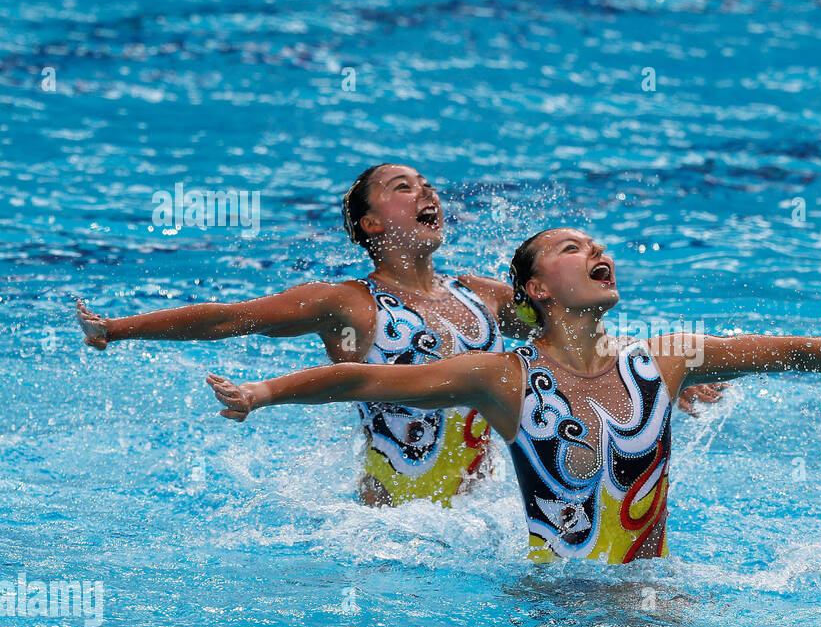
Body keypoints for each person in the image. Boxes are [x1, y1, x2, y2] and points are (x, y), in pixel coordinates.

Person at [207, 227, 821, 563]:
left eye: (597, 245)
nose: (597, 252)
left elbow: (793, 350)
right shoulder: (505, 377)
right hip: (550, 610)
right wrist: (266, 391)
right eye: (570, 247)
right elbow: (371, 380)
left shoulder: (665, 362)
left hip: (656, 593)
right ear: (533, 288)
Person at [76, 164, 723, 506]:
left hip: (479, 520)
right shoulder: (351, 305)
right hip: (389, 526)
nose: (425, 192)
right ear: (366, 224)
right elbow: (230, 316)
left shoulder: (483, 298)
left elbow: (572, 338)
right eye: (401, 187)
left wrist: (655, 384)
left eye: (427, 184)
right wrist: (118, 330)